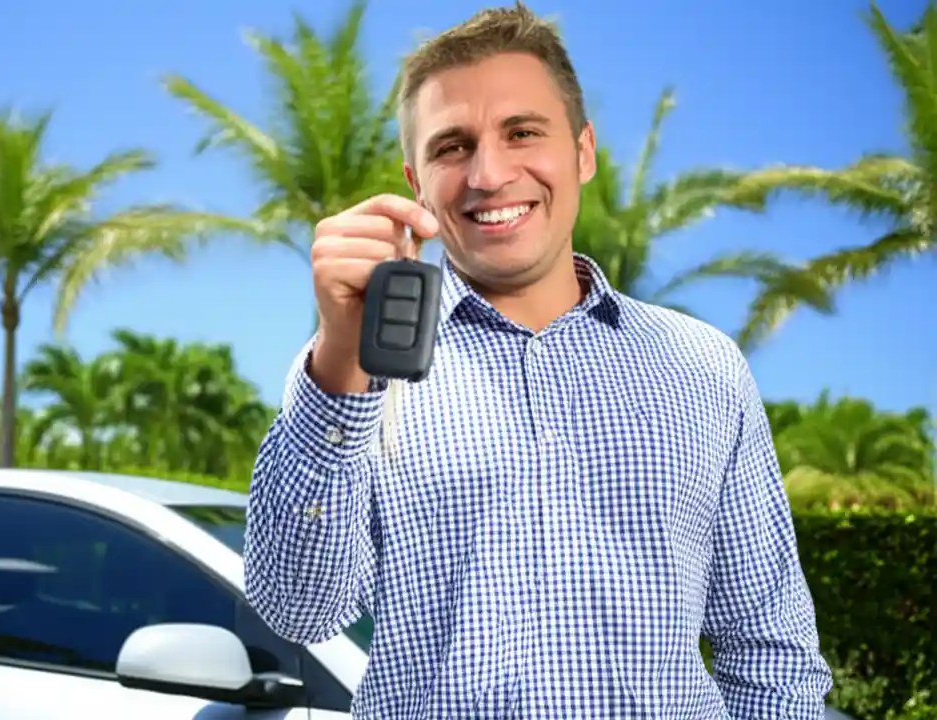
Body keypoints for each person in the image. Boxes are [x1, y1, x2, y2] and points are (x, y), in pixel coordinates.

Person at [242, 3, 834, 719]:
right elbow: (298, 612)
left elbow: (773, 653)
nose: (489, 173)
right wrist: (340, 362)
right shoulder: (352, 372)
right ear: (416, 182)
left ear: (583, 150)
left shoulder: (703, 366)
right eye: (452, 147)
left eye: (522, 132)